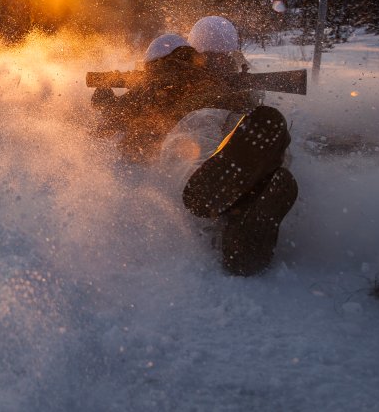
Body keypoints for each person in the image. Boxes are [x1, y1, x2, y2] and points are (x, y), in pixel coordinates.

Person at [92, 16, 298, 276]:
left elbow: (117, 118)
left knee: (193, 155)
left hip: (196, 120)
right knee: (244, 147)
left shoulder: (153, 80)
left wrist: (103, 102)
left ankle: (219, 211)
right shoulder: (208, 73)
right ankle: (265, 179)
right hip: (235, 112)